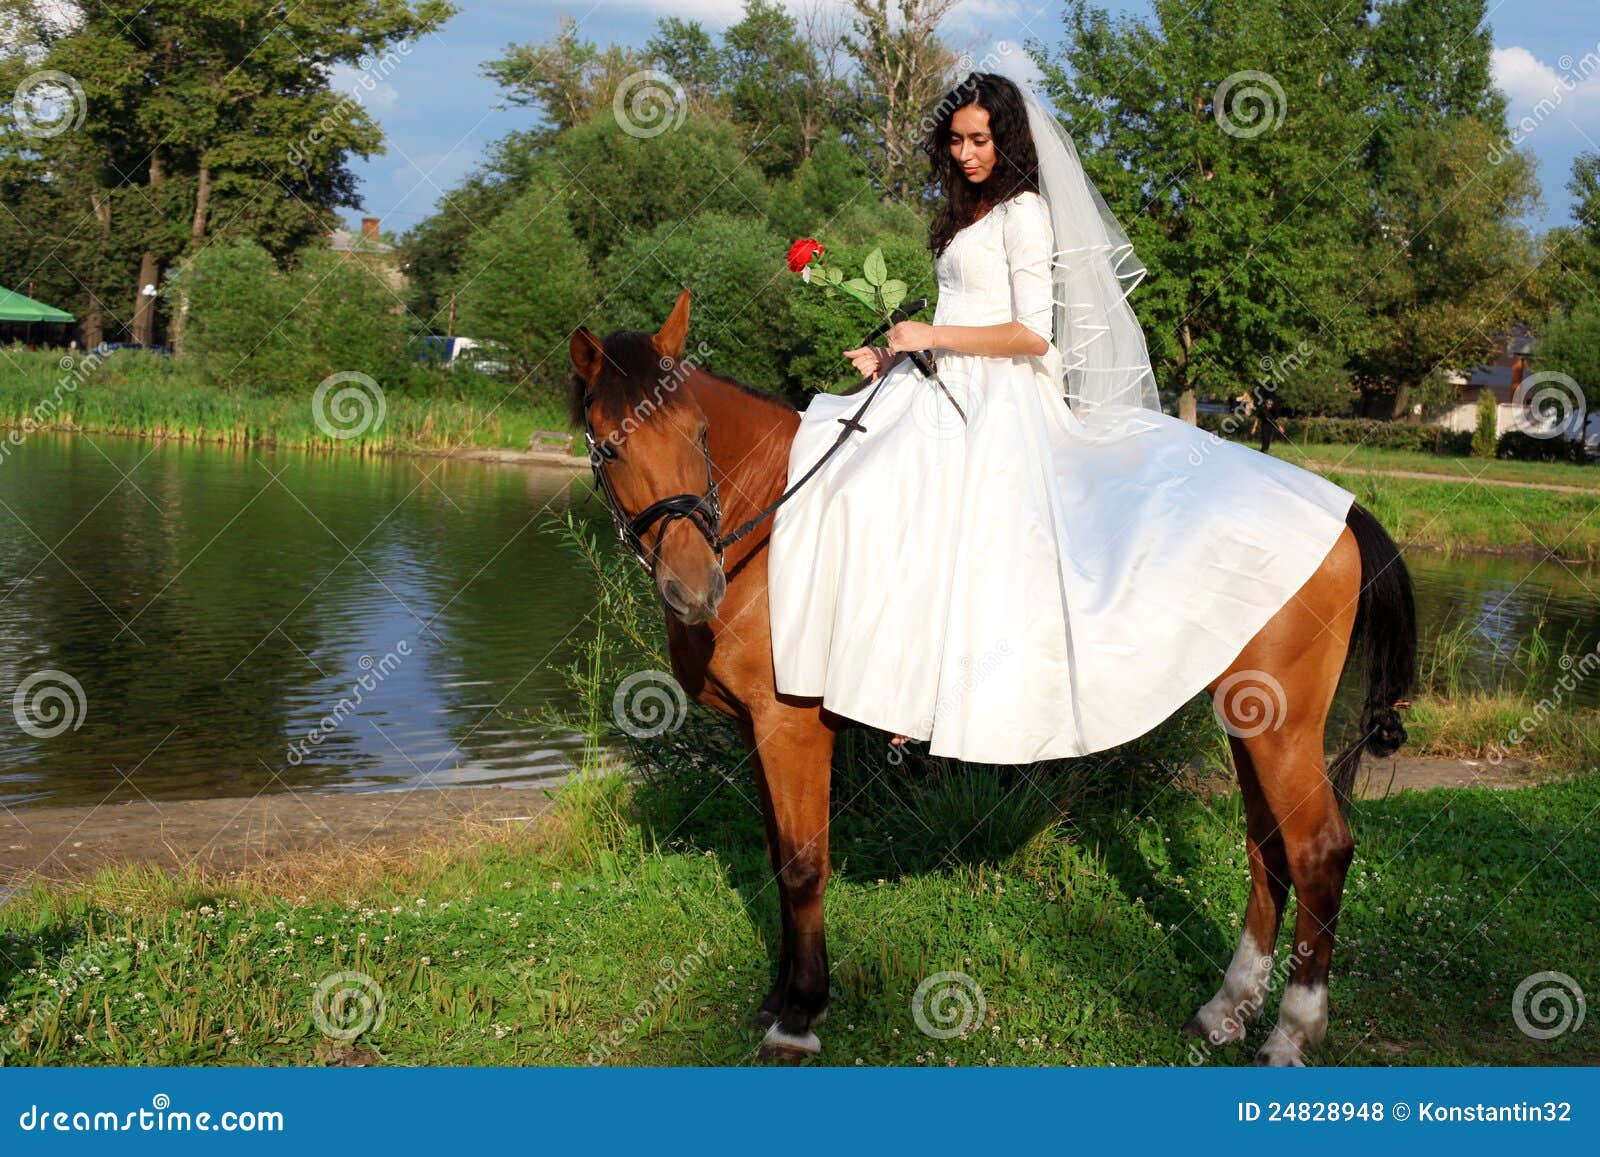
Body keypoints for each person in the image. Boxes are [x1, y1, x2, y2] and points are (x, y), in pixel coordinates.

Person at [765, 72, 1356, 763]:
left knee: (925, 508)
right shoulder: (968, 218)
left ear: (1007, 137)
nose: (966, 154)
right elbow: (958, 314)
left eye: (979, 140)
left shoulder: (1024, 214)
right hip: (945, 381)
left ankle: (923, 694)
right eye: (955, 141)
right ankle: (865, 676)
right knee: (848, 479)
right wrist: (895, 355)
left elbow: (1032, 334)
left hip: (1002, 393)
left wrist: (929, 337)